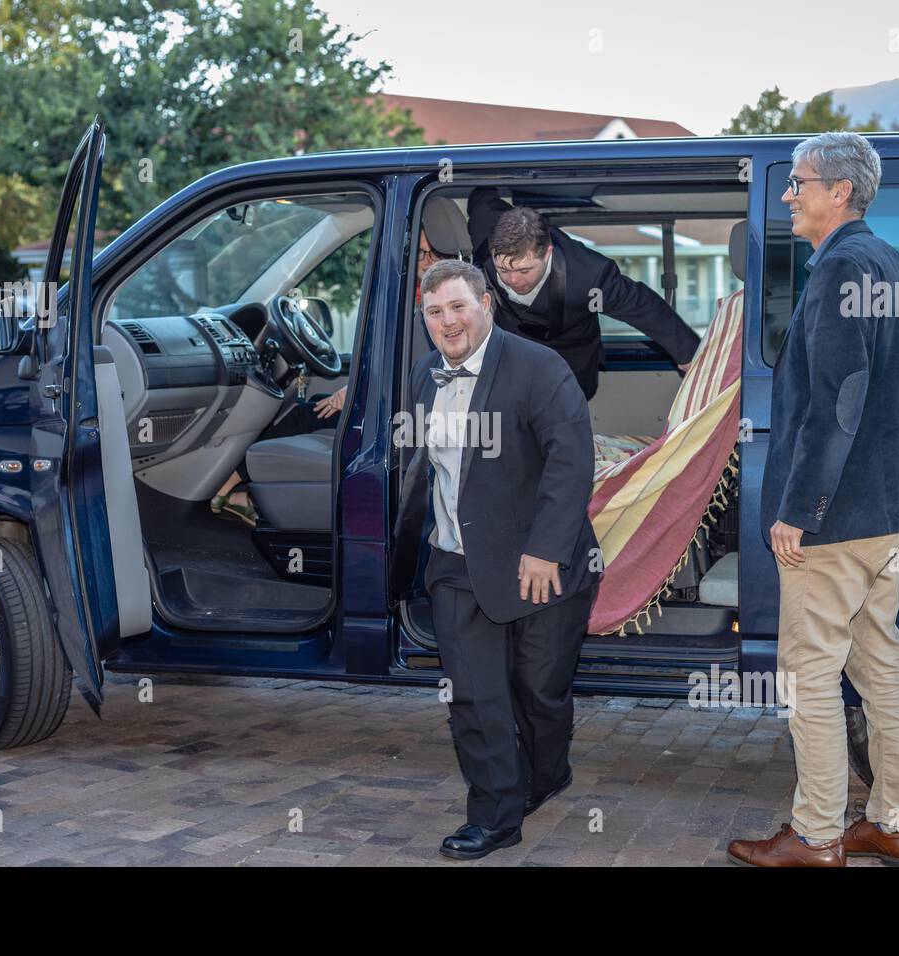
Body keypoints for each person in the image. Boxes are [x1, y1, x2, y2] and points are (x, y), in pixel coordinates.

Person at [726, 132, 899, 867]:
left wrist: (799, 508)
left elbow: (837, 403)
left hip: (837, 520)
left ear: (840, 192)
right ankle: (896, 823)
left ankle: (818, 834)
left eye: (799, 182)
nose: (789, 194)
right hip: (894, 515)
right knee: (879, 664)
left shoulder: (838, 272)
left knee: (810, 673)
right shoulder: (895, 266)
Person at [393, 259, 601, 861]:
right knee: (473, 694)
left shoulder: (538, 368)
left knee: (539, 692)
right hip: (456, 562)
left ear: (487, 304)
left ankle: (549, 772)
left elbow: (570, 462)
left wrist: (544, 551)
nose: (447, 322)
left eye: (458, 307)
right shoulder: (424, 375)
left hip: (538, 562)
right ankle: (494, 816)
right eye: (434, 312)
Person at [211, 204, 468, 521]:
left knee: (304, 413)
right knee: (317, 406)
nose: (425, 263)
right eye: (420, 253)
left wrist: (357, 392)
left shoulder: (440, 310)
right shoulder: (422, 298)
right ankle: (238, 490)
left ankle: (228, 486)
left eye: (435, 256)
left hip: (399, 426)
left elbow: (418, 375)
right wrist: (355, 389)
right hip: (396, 413)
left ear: (450, 258)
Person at [467, 187, 697, 399]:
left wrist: (690, 355)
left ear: (547, 254)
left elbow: (643, 306)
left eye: (524, 270)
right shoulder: (484, 227)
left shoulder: (590, 276)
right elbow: (481, 198)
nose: (513, 280)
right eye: (504, 270)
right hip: (509, 350)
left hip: (568, 357)